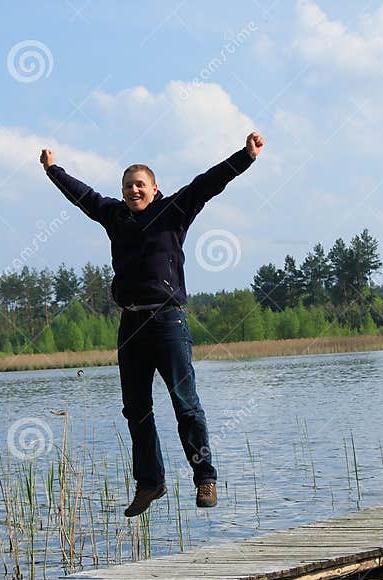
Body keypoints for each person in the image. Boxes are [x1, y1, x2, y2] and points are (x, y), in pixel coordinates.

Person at [40, 132, 264, 517]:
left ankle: (205, 477)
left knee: (186, 405)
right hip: (131, 326)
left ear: (154, 188)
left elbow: (208, 183)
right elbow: (83, 196)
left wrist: (245, 156)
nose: (133, 190)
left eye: (139, 184)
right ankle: (150, 482)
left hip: (167, 322)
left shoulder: (174, 210)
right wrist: (52, 170)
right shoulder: (114, 216)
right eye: (128, 186)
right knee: (136, 410)